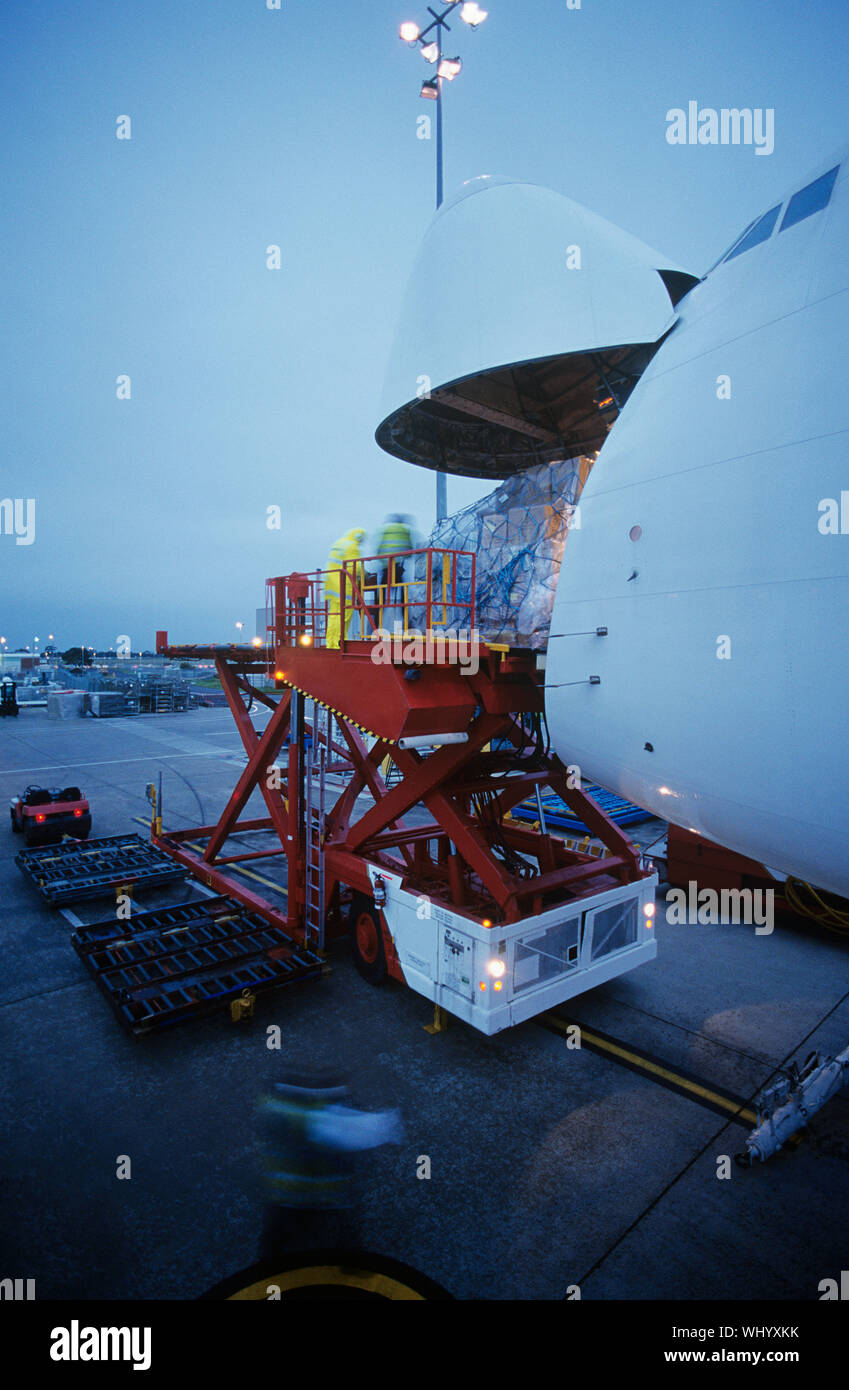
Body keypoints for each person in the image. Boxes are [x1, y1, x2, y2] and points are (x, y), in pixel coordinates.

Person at [257, 1067, 403, 1260]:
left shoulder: (277, 1109)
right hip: (331, 1189)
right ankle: (351, 1256)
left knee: (279, 1226)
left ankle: (270, 1257)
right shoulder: (337, 1110)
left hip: (289, 1190)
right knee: (345, 1223)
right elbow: (360, 1143)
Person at [325, 528, 366, 648]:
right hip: (344, 586)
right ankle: (339, 643)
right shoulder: (353, 546)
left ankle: (331, 643)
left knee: (334, 616)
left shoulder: (339, 543)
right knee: (344, 616)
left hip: (332, 585)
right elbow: (355, 567)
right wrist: (365, 573)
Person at [374, 514, 414, 631]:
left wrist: (384, 563)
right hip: (397, 568)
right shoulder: (405, 531)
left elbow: (379, 551)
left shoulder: (386, 531)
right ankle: (407, 626)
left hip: (386, 568)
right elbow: (410, 551)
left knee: (380, 599)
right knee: (402, 598)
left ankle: (375, 626)